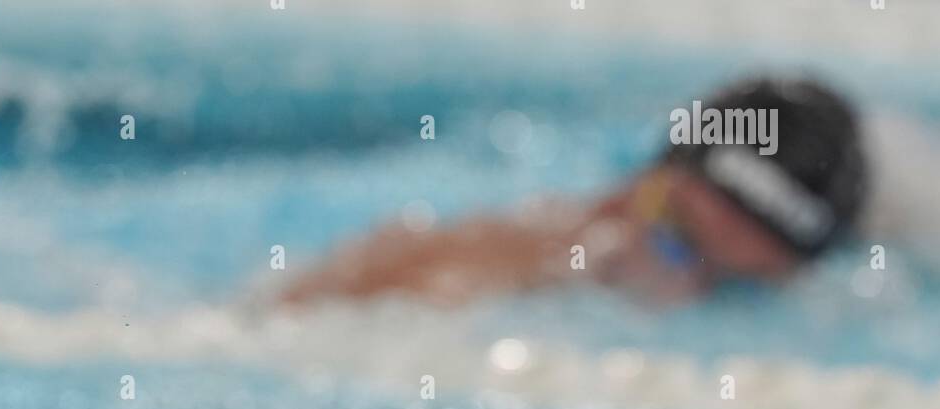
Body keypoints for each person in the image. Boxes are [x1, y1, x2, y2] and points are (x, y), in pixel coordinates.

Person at [279, 76, 868, 307]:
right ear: (641, 186)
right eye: (679, 241)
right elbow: (300, 305)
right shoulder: (551, 243)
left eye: (737, 280)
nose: (687, 283)